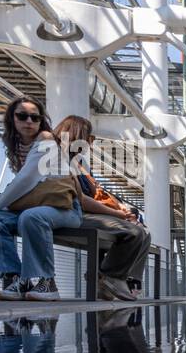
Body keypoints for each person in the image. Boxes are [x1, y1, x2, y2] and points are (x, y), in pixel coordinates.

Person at [0, 97, 82, 301]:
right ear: (12, 119)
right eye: (22, 116)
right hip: (36, 205)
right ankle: (17, 279)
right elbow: (25, 188)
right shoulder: (17, 145)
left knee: (31, 217)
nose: (29, 121)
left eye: (35, 117)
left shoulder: (46, 139)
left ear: (41, 121)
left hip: (65, 208)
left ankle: (47, 282)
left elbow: (27, 179)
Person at [62, 117, 152, 302]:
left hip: (87, 212)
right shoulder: (63, 161)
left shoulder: (78, 165)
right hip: (76, 214)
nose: (90, 143)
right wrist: (117, 213)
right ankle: (110, 276)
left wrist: (119, 211)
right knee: (134, 232)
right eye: (89, 137)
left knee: (143, 232)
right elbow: (82, 200)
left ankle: (118, 277)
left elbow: (94, 195)